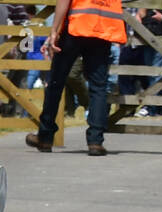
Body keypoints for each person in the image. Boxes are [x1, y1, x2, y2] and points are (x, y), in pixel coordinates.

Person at [26, 0, 127, 155]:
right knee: (98, 86)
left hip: (75, 28)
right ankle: (95, 141)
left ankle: (45, 137)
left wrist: (54, 31)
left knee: (55, 82)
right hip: (101, 30)